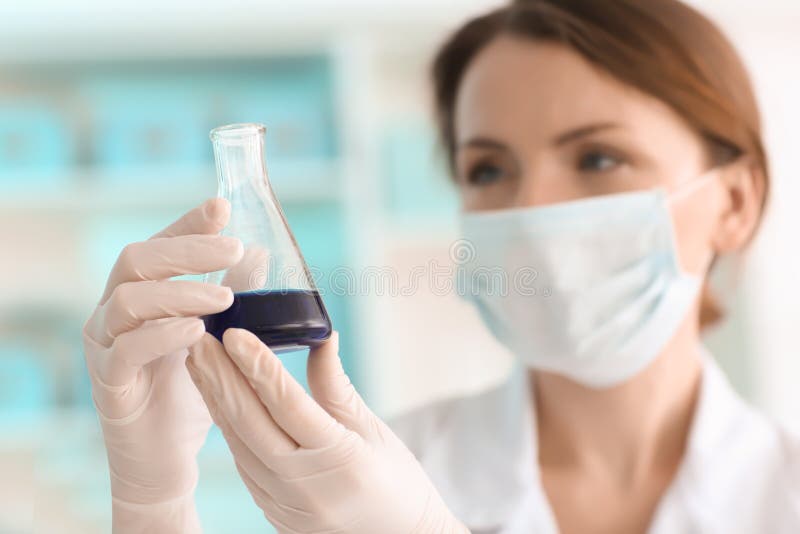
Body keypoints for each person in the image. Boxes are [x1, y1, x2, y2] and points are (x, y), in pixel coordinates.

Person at [82, 0, 800, 533]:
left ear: (735, 202)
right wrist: (156, 501)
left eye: (598, 158)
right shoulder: (374, 476)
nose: (530, 216)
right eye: (488, 169)